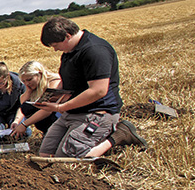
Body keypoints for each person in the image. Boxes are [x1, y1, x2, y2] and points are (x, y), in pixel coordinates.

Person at [37, 16, 146, 157]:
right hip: (72, 112)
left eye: (55, 45)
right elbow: (68, 81)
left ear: (67, 36)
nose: (55, 50)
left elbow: (98, 91)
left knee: (65, 161)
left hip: (96, 113)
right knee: (45, 156)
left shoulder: (95, 51)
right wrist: (52, 98)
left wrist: (61, 108)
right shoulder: (69, 52)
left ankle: (120, 134)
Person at [10, 60, 62, 138]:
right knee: (27, 107)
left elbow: (47, 110)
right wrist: (28, 91)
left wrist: (24, 124)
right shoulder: (34, 85)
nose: (27, 83)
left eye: (29, 79)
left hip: (61, 117)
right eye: (24, 81)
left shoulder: (54, 82)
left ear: (39, 74)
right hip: (49, 118)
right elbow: (23, 104)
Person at [0, 62, 31, 140]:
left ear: (7, 77)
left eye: (1, 83)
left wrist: (17, 121)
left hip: (14, 112)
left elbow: (22, 105)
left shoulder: (19, 83)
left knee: (23, 134)